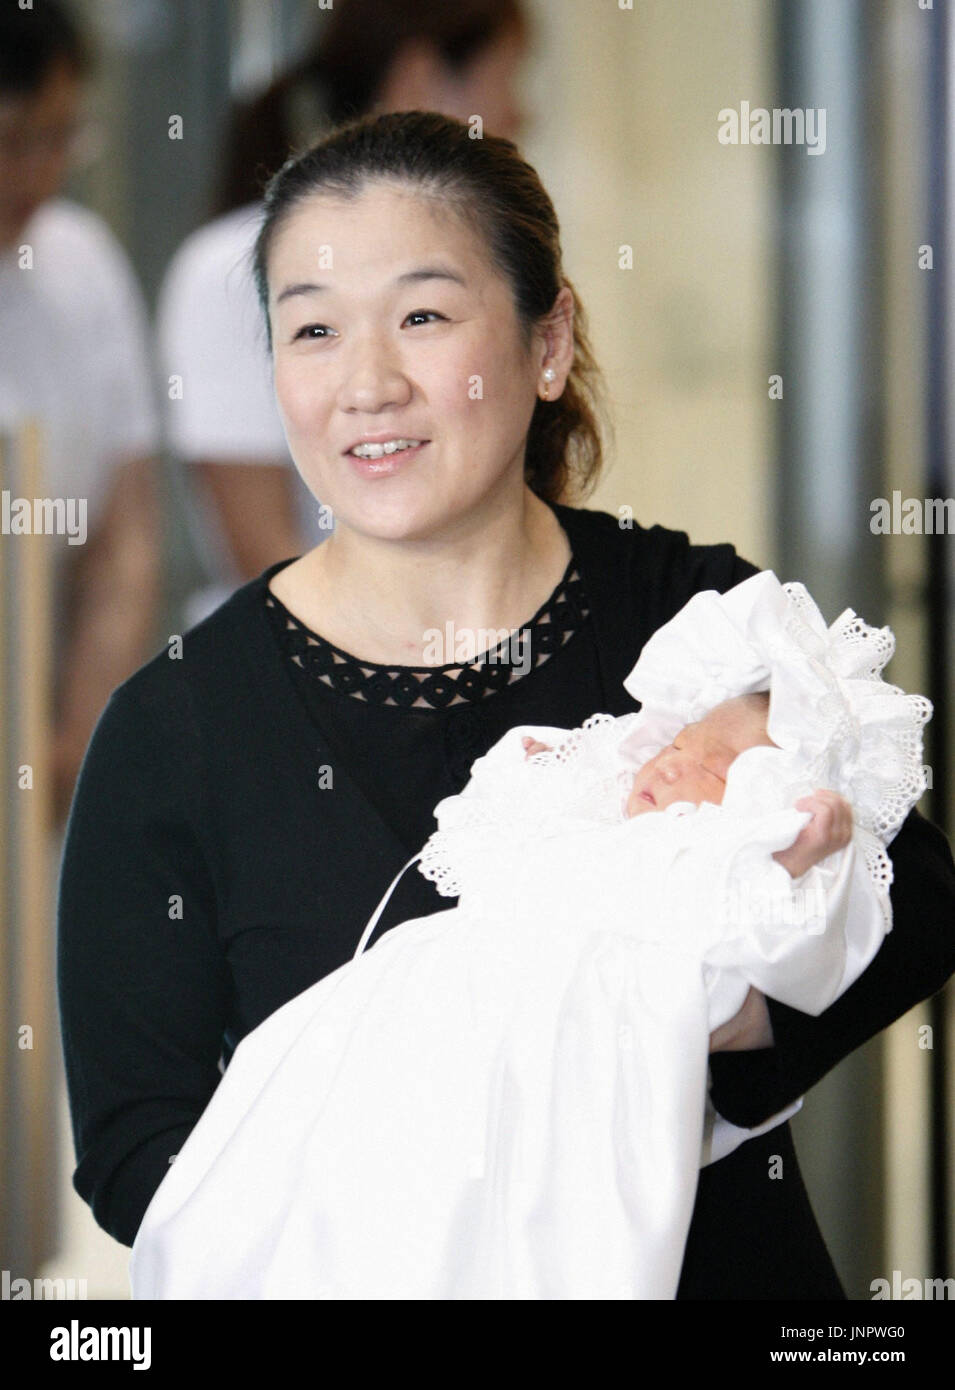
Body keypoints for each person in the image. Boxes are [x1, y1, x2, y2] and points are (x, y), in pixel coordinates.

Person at [57, 111, 955, 1300]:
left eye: (423, 316)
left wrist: (708, 1039)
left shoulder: (689, 623)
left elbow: (922, 901)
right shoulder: (175, 728)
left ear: (547, 340)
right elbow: (135, 1145)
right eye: (312, 329)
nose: (367, 383)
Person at [127, 571, 929, 1299]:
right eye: (678, 746)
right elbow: (134, 1130)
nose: (676, 766)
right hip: (405, 1026)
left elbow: (903, 897)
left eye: (718, 774)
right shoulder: (184, 705)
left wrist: (777, 921)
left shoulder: (693, 619)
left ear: (547, 394)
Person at [157, 0, 529, 626]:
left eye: (425, 317)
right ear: (419, 78)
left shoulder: (495, 263)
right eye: (317, 331)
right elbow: (259, 545)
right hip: (308, 674)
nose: (522, 112)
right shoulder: (230, 266)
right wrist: (401, 671)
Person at [0, 0, 161, 827]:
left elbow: (124, 536)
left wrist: (77, 729)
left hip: (38, 735)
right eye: (15, 140)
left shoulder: (80, 265)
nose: (41, 172)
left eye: (60, 136)